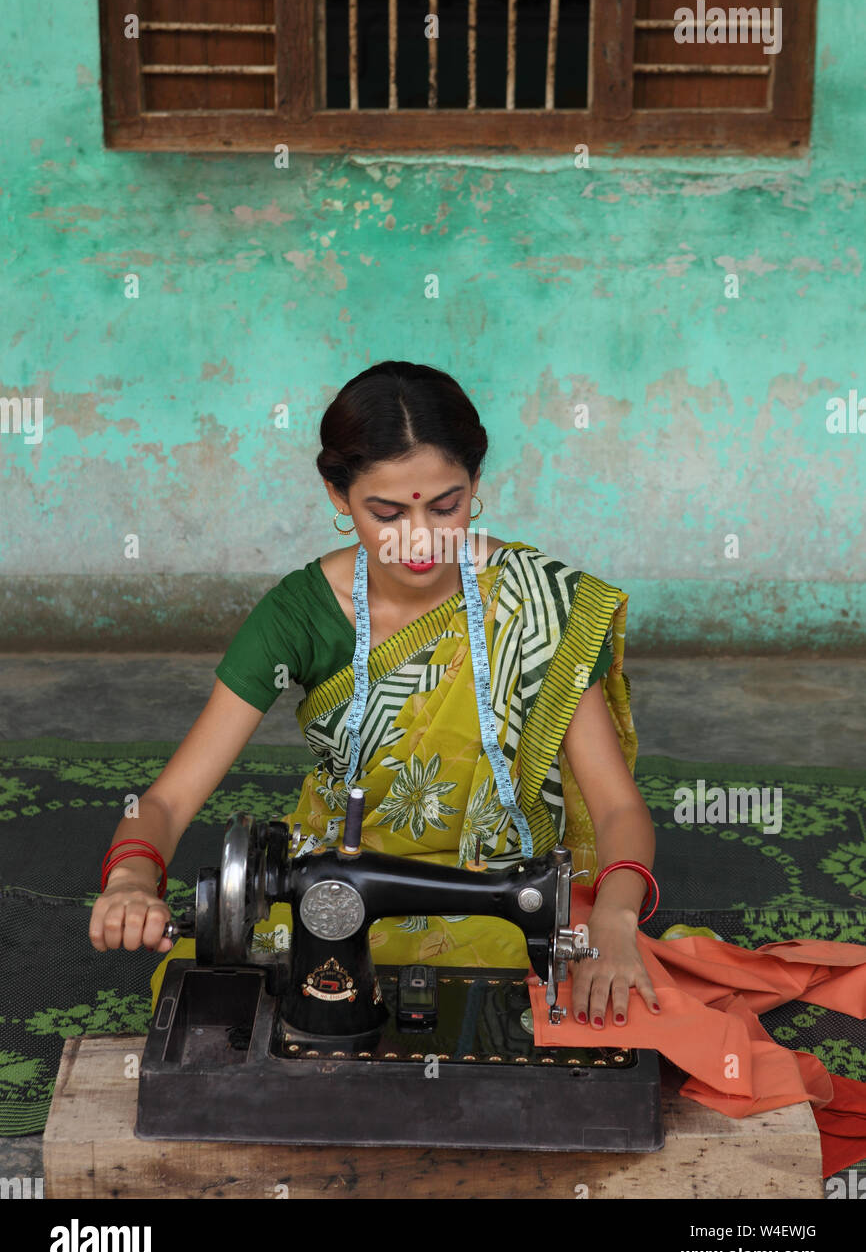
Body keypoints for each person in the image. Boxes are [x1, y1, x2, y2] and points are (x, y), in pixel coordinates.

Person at [89, 360, 662, 1033]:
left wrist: (618, 920)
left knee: (610, 1019)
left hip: (507, 894)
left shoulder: (543, 605)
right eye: (386, 513)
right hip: (336, 899)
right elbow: (165, 800)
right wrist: (129, 883)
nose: (419, 539)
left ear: (475, 483)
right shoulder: (299, 615)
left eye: (445, 506)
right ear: (338, 496)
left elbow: (618, 806)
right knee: (224, 1008)